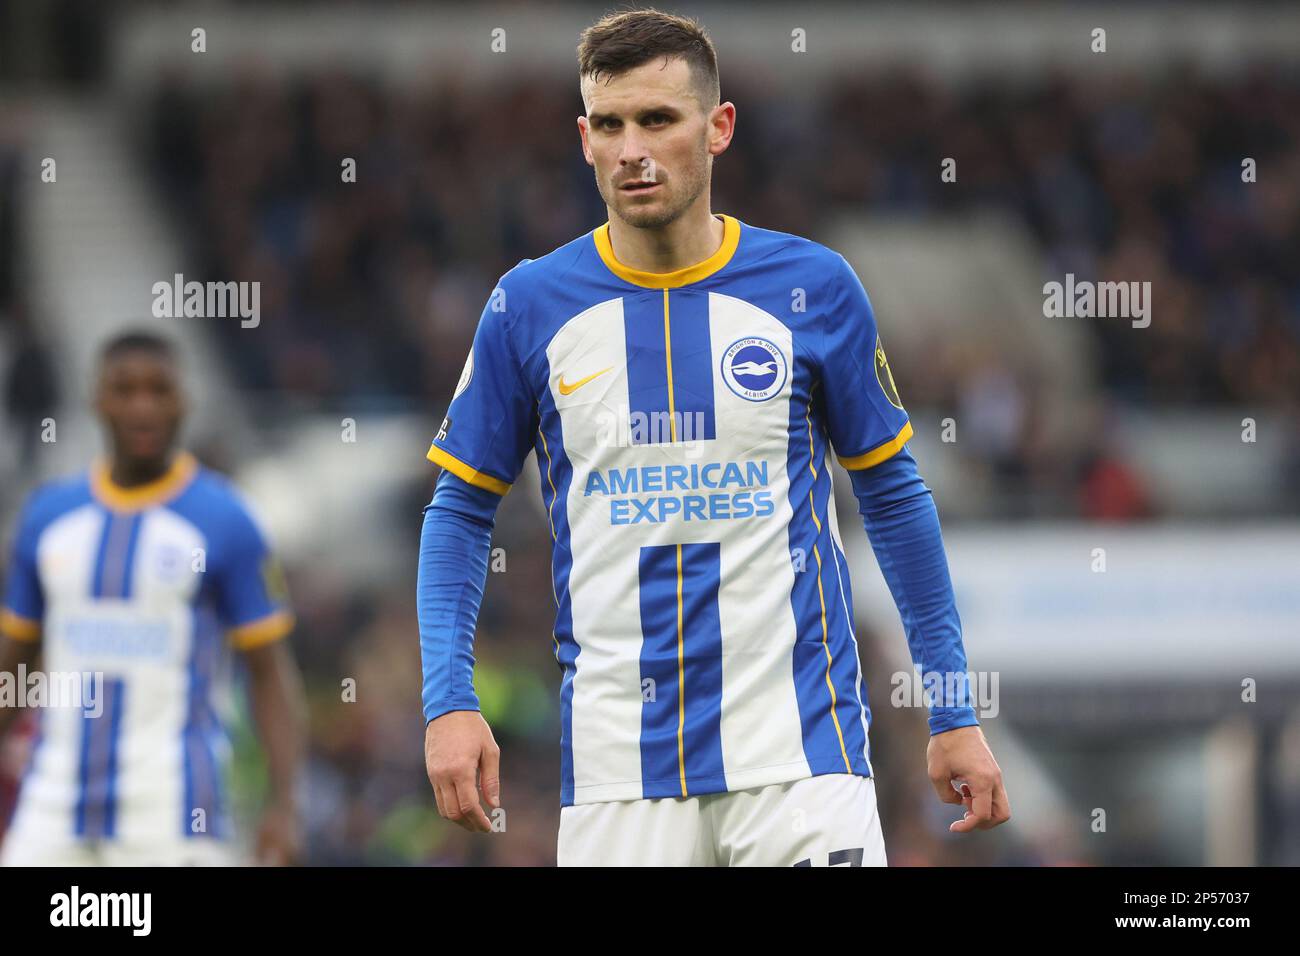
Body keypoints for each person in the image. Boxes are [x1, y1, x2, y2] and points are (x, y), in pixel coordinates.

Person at [418, 8, 1009, 866]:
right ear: (583, 139)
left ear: (718, 127)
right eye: (610, 125)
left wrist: (953, 708)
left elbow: (894, 497)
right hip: (619, 771)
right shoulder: (529, 305)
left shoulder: (812, 288)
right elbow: (460, 512)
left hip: (805, 757)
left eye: (658, 119)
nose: (633, 149)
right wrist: (447, 701)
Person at [0, 332, 305, 865]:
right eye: (125, 389)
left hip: (176, 817)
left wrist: (285, 807)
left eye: (158, 389)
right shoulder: (47, 518)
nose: (142, 405)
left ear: (183, 400)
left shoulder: (228, 521)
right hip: (52, 809)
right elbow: (13, 663)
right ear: (98, 400)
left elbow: (270, 675)